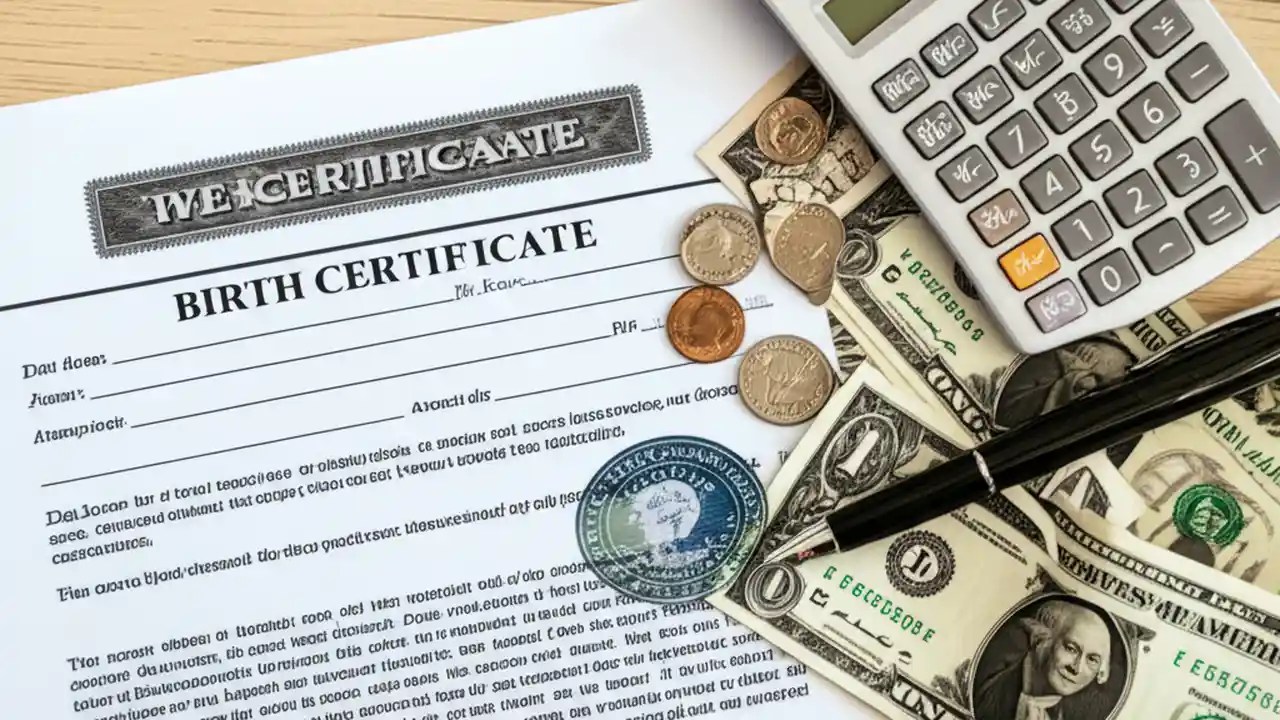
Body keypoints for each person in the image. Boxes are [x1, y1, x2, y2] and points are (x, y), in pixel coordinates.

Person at [974, 600, 1115, 720]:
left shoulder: (1069, 712)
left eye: (1092, 659)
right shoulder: (993, 675)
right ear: (1044, 639)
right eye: (1071, 649)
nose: (1076, 668)